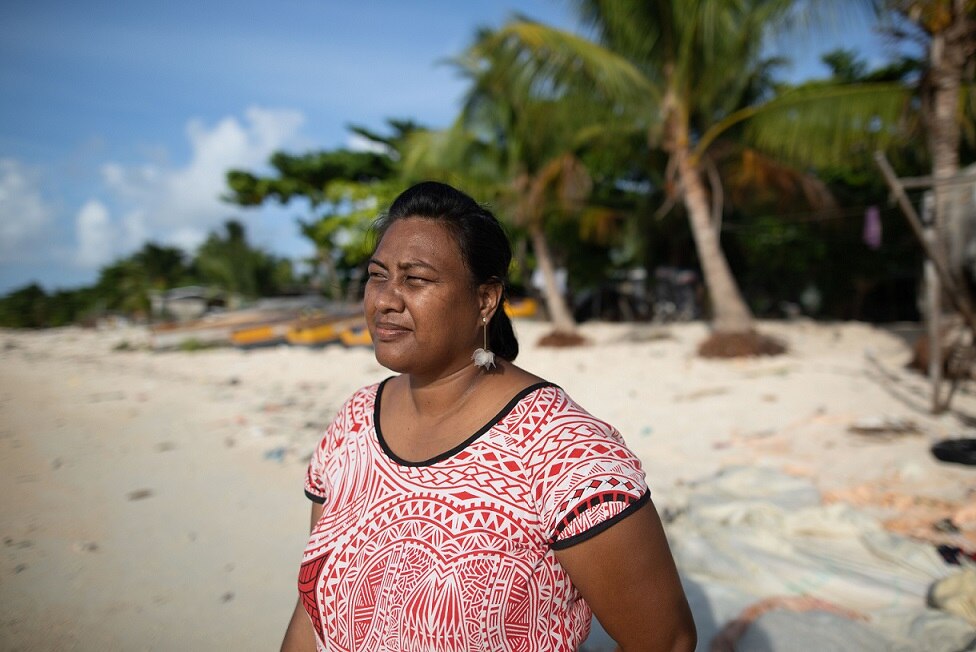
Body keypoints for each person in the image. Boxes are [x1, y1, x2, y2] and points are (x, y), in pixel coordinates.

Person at [281, 181, 696, 652]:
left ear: (485, 300)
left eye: (415, 280)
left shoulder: (561, 450)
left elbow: (667, 640)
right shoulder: (354, 424)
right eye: (378, 276)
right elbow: (311, 607)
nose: (385, 300)